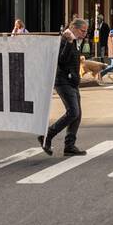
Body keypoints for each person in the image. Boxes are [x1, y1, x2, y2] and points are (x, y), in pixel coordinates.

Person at [40, 18, 87, 156]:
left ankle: (69, 145)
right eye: (82, 31)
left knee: (77, 115)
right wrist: (69, 42)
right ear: (73, 28)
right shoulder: (64, 40)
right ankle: (46, 136)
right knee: (73, 112)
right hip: (62, 81)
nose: (84, 34)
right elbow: (61, 60)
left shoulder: (74, 40)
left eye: (85, 31)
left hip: (72, 81)